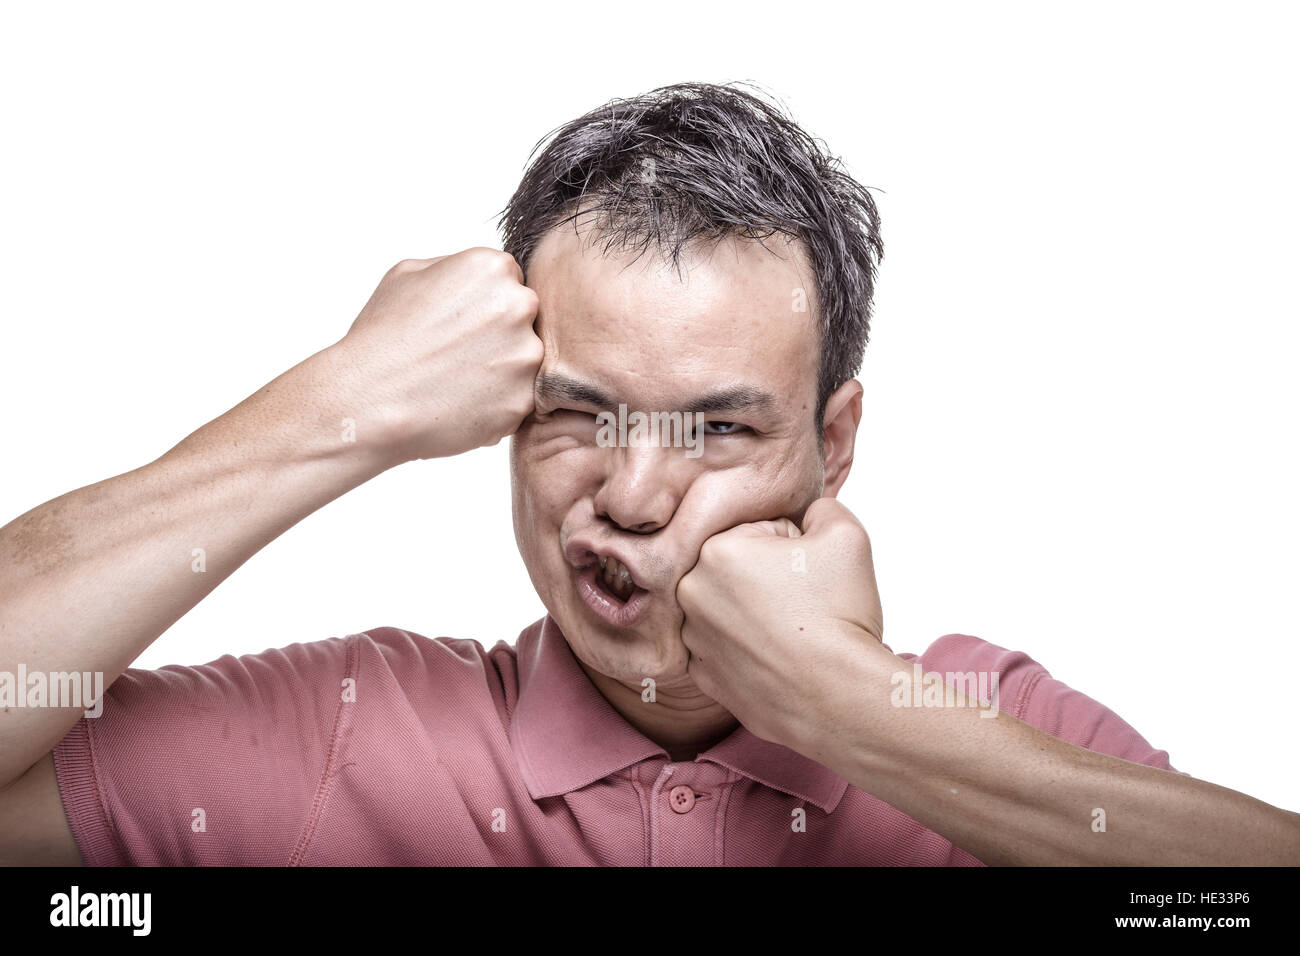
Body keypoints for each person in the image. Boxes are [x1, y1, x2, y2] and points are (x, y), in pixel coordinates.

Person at [1, 82, 1296, 866]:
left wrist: (849, 710)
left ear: (833, 443)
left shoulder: (989, 720)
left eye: (716, 430)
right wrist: (342, 405)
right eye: (577, 415)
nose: (628, 496)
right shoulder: (350, 738)